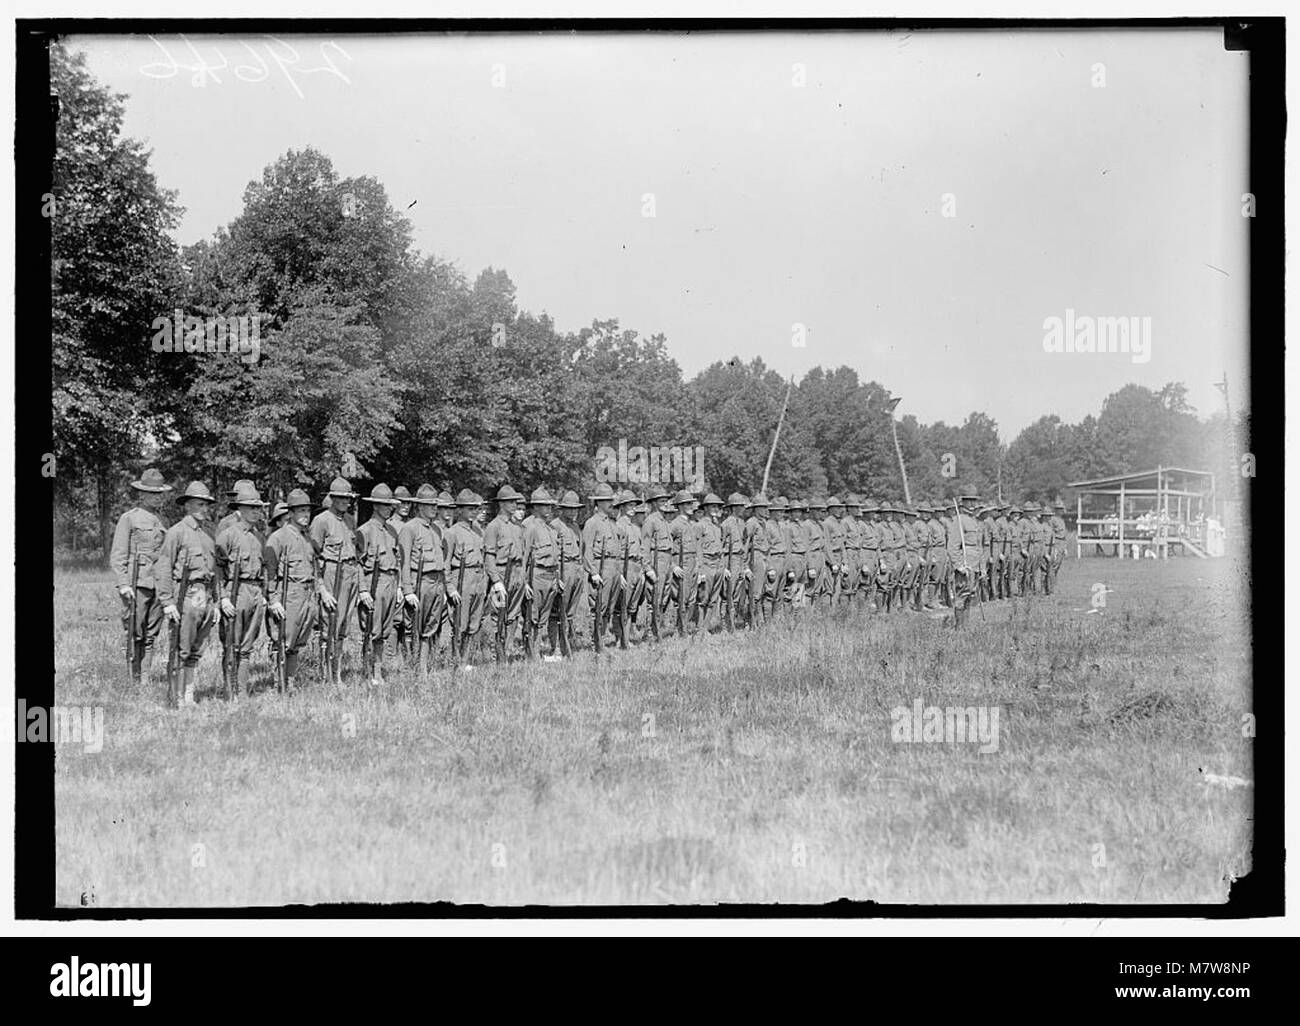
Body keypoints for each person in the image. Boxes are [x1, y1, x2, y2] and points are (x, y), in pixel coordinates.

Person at [155, 481, 219, 708]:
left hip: (206, 595)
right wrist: (167, 602)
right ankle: (177, 697)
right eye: (199, 504)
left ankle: (190, 696)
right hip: (186, 594)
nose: (205, 509)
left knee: (197, 649)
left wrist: (217, 601)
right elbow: (163, 566)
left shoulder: (209, 534)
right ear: (188, 506)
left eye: (207, 505)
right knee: (181, 648)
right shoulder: (176, 532)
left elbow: (216, 570)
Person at [110, 467, 172, 685]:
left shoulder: (164, 520)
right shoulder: (129, 518)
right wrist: (123, 584)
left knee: (152, 632)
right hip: (138, 583)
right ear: (141, 494)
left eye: (159, 494)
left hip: (159, 583)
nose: (157, 498)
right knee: (134, 631)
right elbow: (118, 554)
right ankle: (132, 677)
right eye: (152, 494)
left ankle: (145, 677)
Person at [215, 481, 269, 699]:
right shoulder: (227, 534)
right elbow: (217, 568)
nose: (257, 512)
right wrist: (223, 598)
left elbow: (264, 567)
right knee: (231, 643)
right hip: (235, 591)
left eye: (258, 508)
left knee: (247, 646)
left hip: (255, 591)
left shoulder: (259, 536)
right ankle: (230, 692)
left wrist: (264, 595)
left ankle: (243, 692)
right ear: (240, 508)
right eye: (252, 508)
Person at [265, 489, 318, 694]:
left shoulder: (307, 539)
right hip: (289, 595)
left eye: (308, 511)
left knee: (297, 642)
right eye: (301, 511)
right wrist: (273, 599)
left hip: (306, 593)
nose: (306, 515)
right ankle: (278, 683)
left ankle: (291, 682)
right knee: (282, 640)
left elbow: (315, 568)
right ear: (291, 513)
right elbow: (270, 570)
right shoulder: (278, 538)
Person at [311, 476, 361, 684]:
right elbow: (313, 557)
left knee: (343, 626)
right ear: (331, 498)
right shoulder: (321, 521)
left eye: (347, 498)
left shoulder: (350, 521)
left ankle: (337, 674)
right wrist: (321, 587)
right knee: (328, 624)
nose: (344, 502)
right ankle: (325, 675)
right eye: (339, 498)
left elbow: (356, 551)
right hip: (330, 572)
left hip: (349, 572)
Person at [398, 484, 448, 674]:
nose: (434, 508)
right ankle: (413, 666)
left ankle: (424, 666)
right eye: (429, 505)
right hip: (420, 582)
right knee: (414, 626)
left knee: (430, 626)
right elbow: (403, 561)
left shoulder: (436, 529)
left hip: (436, 581)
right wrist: (408, 590)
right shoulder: (409, 528)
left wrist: (442, 586)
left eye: (435, 505)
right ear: (419, 506)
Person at [356, 484, 402, 684]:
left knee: (385, 630)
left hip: (390, 582)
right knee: (371, 630)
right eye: (383, 505)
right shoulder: (364, 531)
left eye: (390, 505)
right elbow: (356, 563)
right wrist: (362, 590)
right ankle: (369, 672)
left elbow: (397, 560)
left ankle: (378, 671)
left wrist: (399, 586)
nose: (388, 508)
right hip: (373, 583)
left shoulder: (391, 531)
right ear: (375, 506)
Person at [483, 485, 527, 661]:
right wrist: (495, 581)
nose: (515, 504)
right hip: (502, 573)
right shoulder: (494, 526)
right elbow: (489, 556)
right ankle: (497, 655)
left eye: (516, 501)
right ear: (501, 504)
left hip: (517, 573)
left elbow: (522, 555)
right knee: (498, 617)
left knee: (514, 615)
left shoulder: (517, 527)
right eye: (510, 501)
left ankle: (507, 651)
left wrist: (522, 577)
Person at [446, 490, 488, 666]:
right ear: (459, 510)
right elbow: (445, 563)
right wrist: (450, 587)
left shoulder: (478, 531)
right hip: (461, 578)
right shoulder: (452, 533)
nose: (473, 511)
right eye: (469, 508)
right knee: (459, 623)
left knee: (474, 622)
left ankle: (466, 659)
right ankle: (457, 660)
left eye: (475, 508)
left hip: (478, 578)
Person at [520, 488, 560, 659]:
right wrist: (524, 582)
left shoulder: (551, 530)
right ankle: (531, 652)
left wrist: (557, 578)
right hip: (536, 575)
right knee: (532, 616)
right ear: (535, 507)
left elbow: (556, 558)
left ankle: (536, 650)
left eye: (549, 506)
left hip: (550, 576)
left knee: (543, 617)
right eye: (544, 506)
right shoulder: (530, 528)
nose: (548, 509)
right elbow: (524, 557)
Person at [583, 483, 623, 647]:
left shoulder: (612, 523)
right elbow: (587, 550)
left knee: (610, 607)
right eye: (606, 500)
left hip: (613, 567)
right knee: (599, 606)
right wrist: (593, 572)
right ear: (598, 503)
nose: (610, 503)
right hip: (601, 567)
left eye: (611, 500)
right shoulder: (592, 523)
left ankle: (603, 637)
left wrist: (619, 572)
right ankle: (595, 641)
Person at [550, 490, 586, 656]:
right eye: (569, 509)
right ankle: (556, 646)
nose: (573, 512)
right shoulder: (555, 525)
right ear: (562, 509)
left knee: (570, 610)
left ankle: (568, 641)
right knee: (558, 610)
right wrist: (557, 576)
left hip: (576, 568)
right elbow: (553, 554)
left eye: (575, 509)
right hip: (563, 569)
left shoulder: (576, 526)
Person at [640, 487, 677, 641]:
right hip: (657, 561)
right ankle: (649, 632)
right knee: (654, 598)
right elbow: (645, 546)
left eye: (665, 500)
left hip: (667, 560)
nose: (664, 503)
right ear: (654, 503)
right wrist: (648, 568)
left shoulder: (665, 521)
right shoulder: (651, 520)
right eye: (661, 500)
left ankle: (657, 628)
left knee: (663, 598)